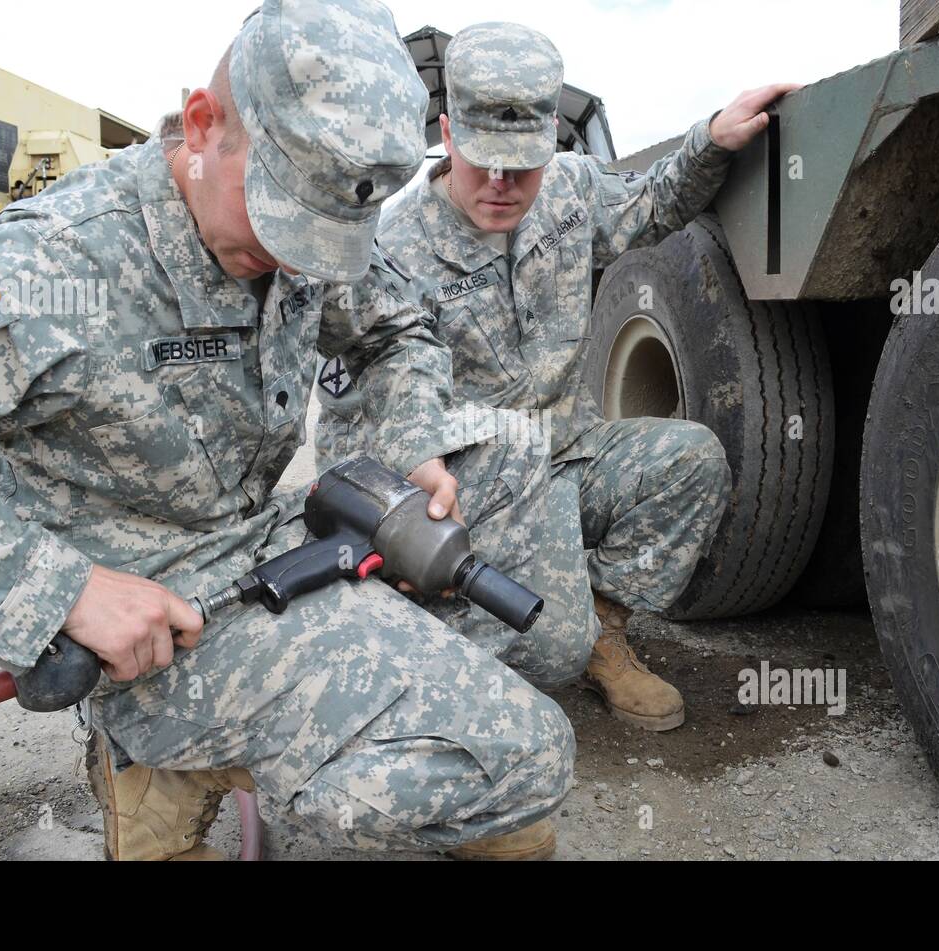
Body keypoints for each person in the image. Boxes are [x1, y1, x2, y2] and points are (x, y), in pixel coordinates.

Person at [0, 0, 572, 861]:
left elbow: (397, 324)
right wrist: (61, 591)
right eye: (281, 218)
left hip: (259, 550)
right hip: (138, 620)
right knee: (520, 760)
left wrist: (413, 435)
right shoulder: (60, 261)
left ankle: (254, 751)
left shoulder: (311, 219)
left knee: (517, 752)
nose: (304, 258)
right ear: (202, 125)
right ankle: (163, 757)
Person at [317, 22, 797, 732]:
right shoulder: (393, 247)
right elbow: (349, 426)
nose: (504, 185)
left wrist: (711, 139)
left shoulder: (571, 194)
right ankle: (449, 670)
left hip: (569, 454)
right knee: (546, 646)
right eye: (485, 162)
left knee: (690, 461)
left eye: (525, 164)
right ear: (447, 133)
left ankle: (605, 633)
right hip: (477, 488)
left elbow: (653, 204)